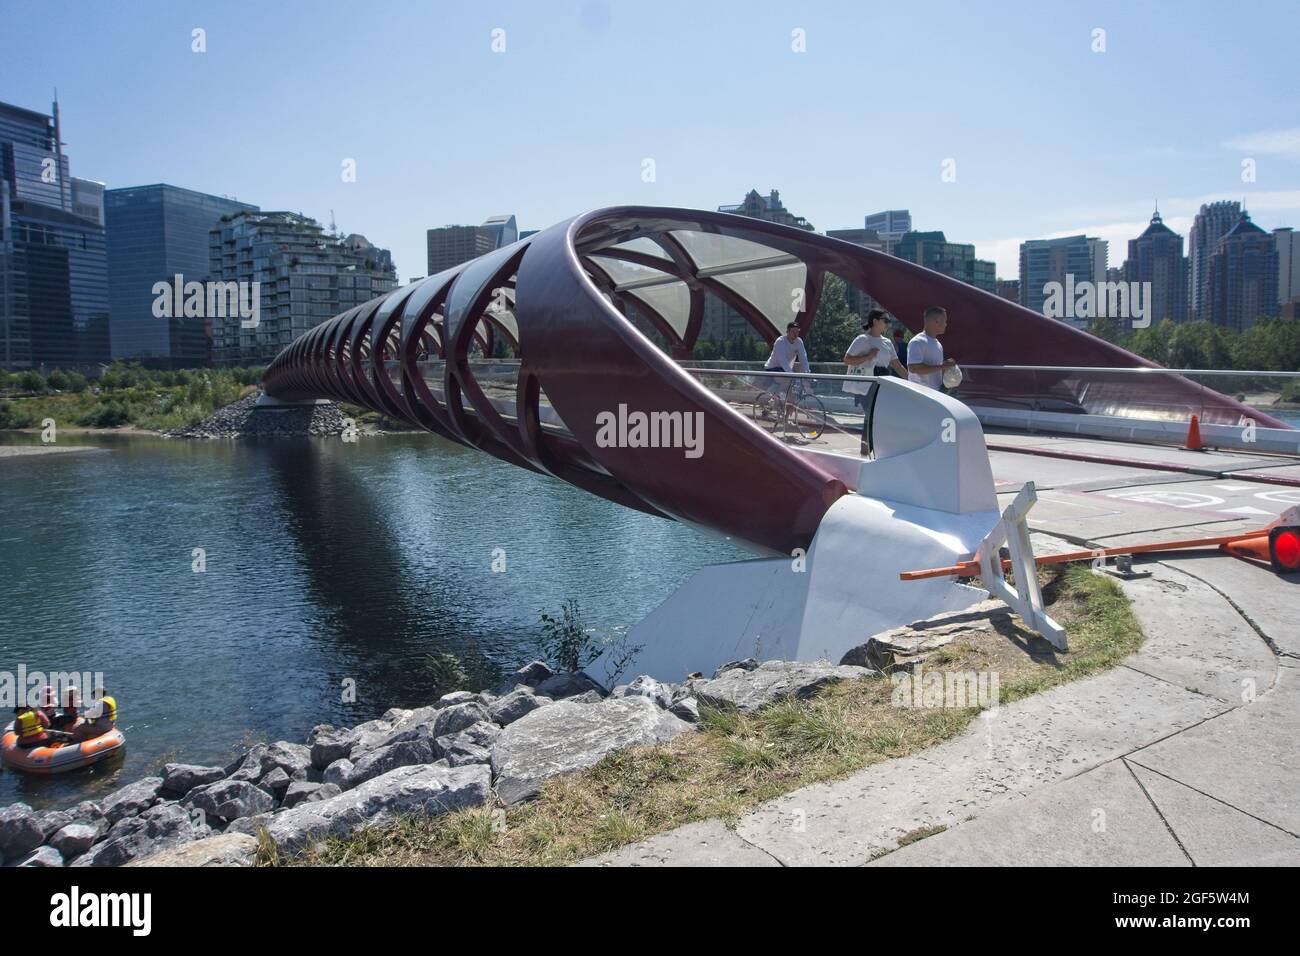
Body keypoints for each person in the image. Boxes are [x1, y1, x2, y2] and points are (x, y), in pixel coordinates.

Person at [844, 310, 908, 455]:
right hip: (867, 382)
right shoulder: (862, 339)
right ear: (875, 321)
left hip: (884, 381)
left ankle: (875, 450)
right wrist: (868, 356)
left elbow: (897, 365)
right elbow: (847, 360)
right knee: (872, 415)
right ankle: (867, 450)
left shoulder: (887, 342)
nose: (888, 324)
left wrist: (912, 381)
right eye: (885, 320)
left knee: (880, 416)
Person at [763, 321, 811, 417]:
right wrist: (792, 374)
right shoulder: (780, 341)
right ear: (787, 332)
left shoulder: (799, 342)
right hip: (773, 368)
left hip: (785, 370)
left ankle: (786, 417)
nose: (796, 334)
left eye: (797, 331)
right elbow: (783, 360)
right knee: (788, 381)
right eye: (793, 331)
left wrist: (807, 372)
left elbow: (803, 358)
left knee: (793, 392)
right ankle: (773, 400)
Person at [907, 306, 956, 390]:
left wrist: (947, 367)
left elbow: (936, 368)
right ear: (937, 321)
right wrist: (943, 366)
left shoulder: (938, 344)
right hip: (920, 392)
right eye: (945, 321)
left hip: (934, 393)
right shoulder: (917, 341)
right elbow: (914, 368)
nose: (946, 324)